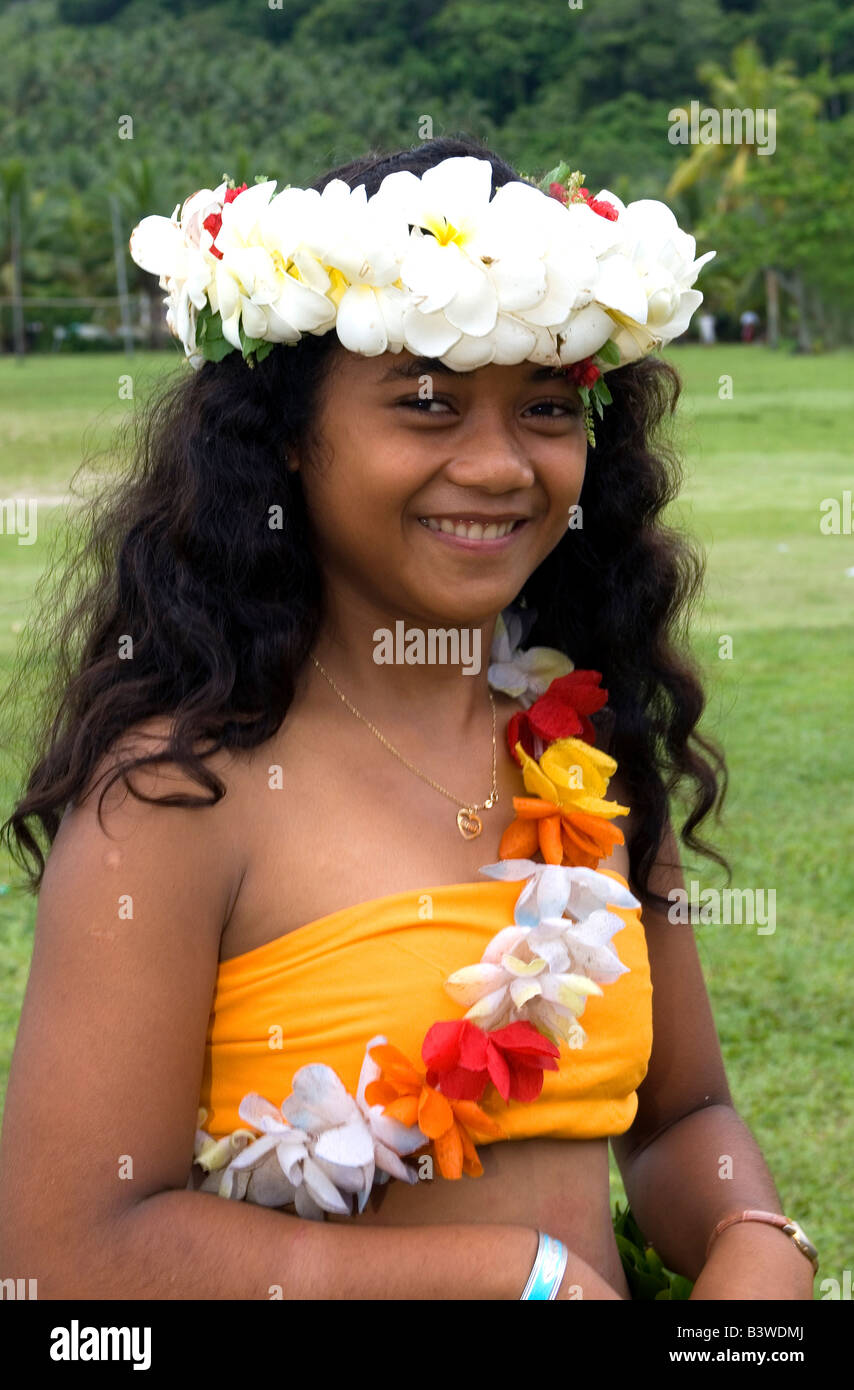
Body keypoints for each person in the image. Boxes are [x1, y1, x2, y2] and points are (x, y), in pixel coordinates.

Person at [0, 135, 818, 1301]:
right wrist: (512, 1275)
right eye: (425, 405)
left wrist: (751, 1240)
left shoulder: (583, 752)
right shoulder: (182, 791)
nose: (496, 466)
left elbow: (685, 1113)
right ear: (286, 439)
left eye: (543, 407)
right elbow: (63, 1257)